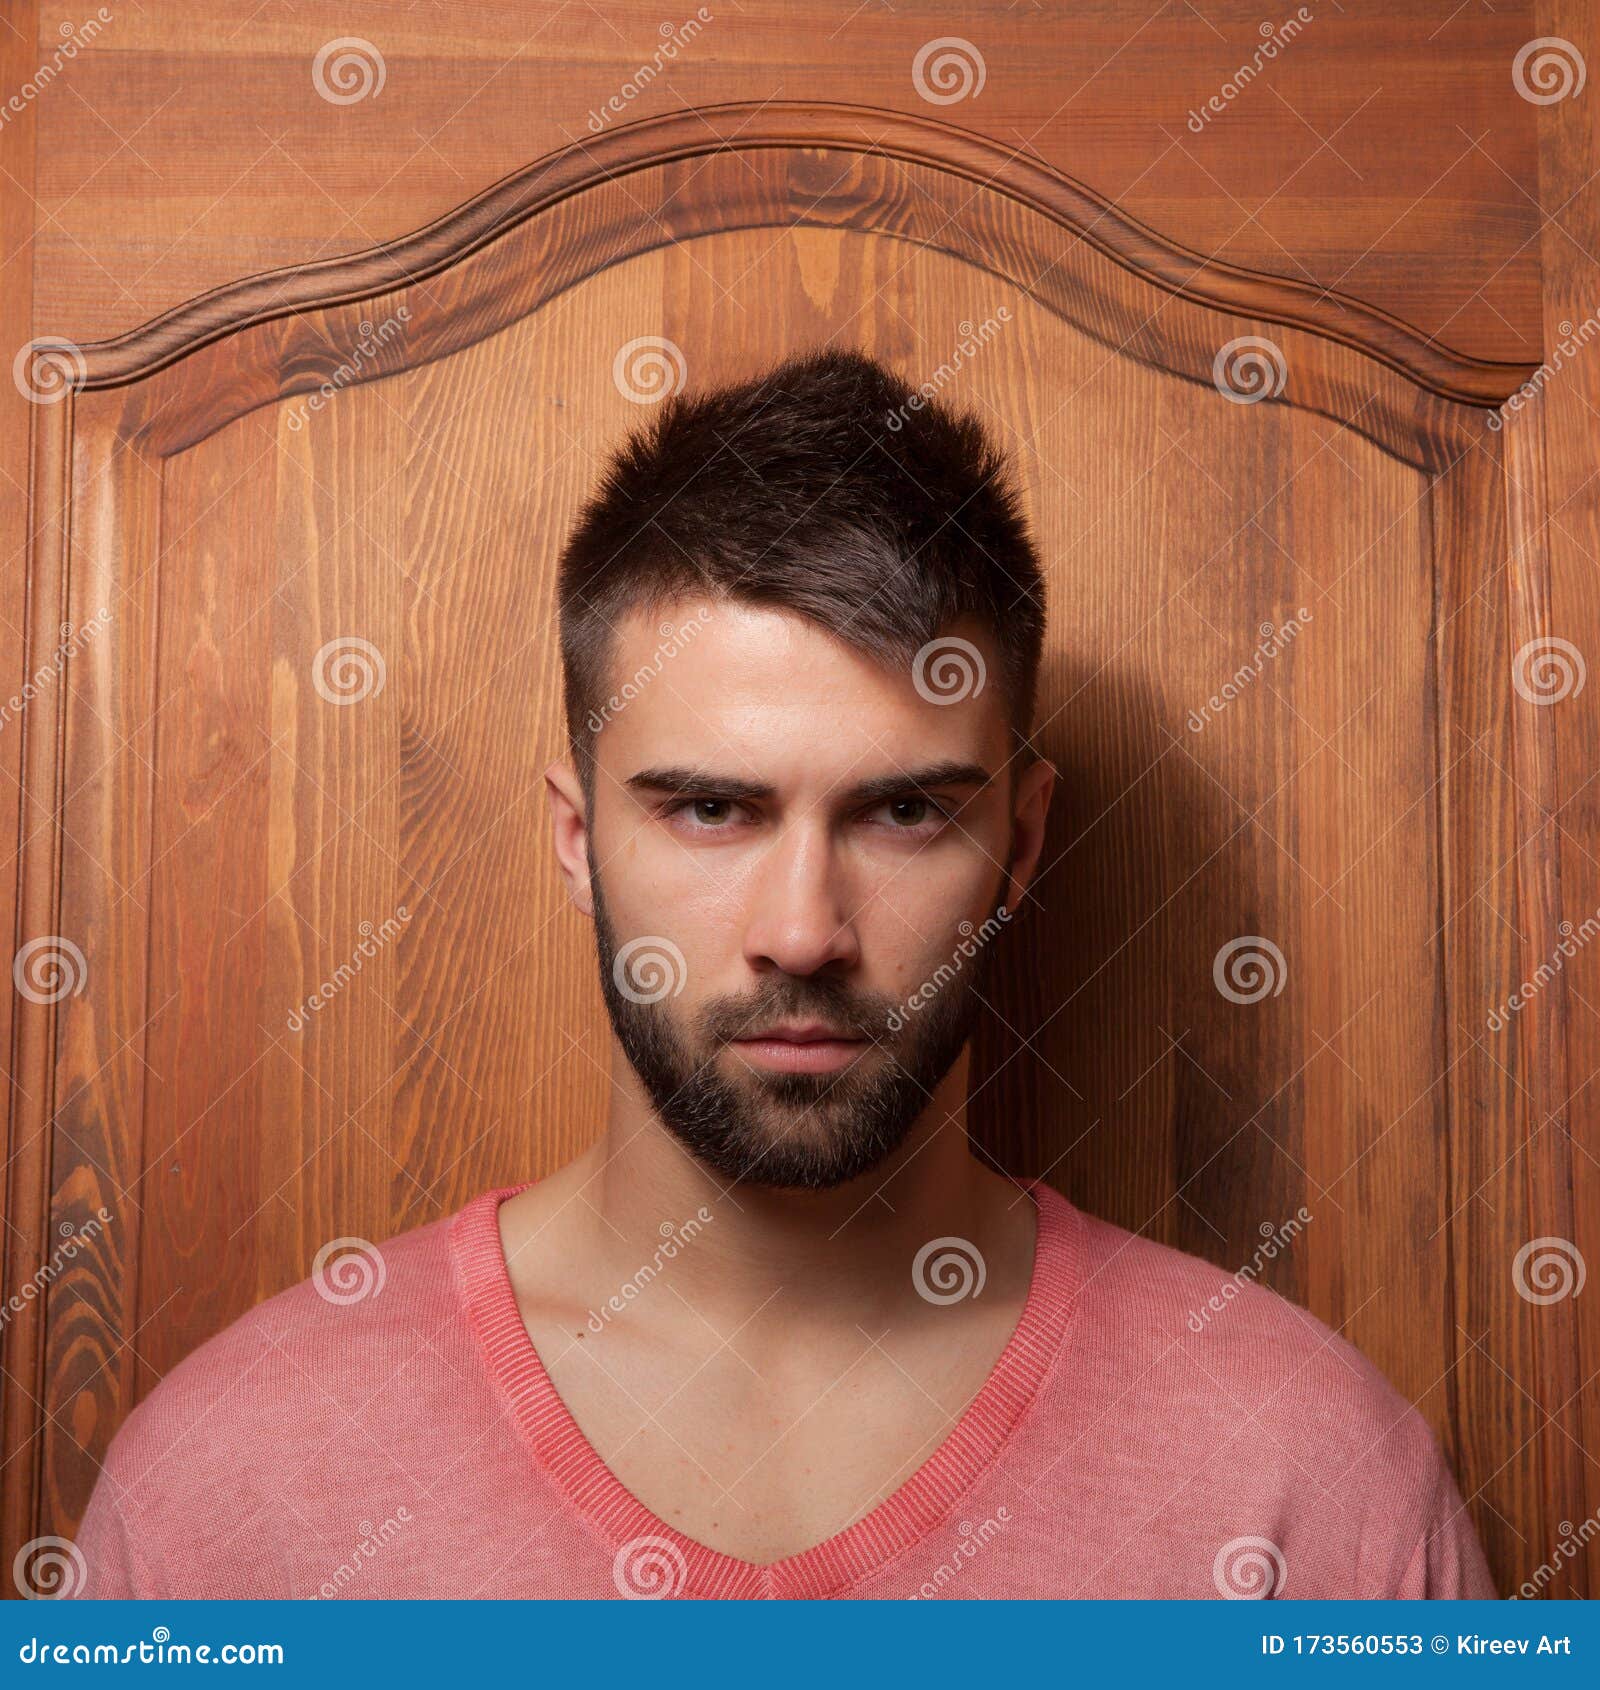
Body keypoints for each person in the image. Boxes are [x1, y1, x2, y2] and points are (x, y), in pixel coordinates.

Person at [67, 346, 1496, 1600]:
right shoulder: (232, 1487)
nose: (804, 930)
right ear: (578, 839)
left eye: (902, 811)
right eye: (710, 808)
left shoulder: (1309, 1481)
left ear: (1020, 843)